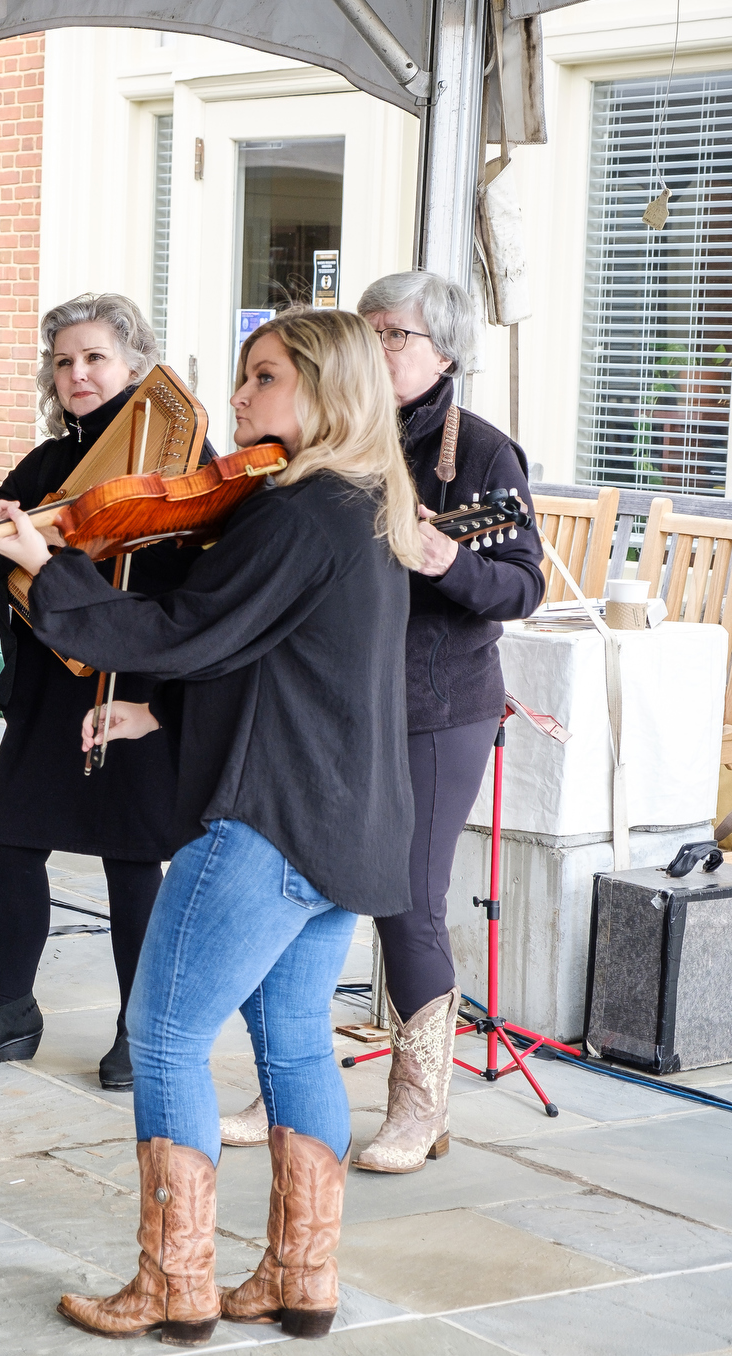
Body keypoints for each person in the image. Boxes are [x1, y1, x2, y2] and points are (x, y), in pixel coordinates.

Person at [0, 308, 421, 1344]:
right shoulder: (366, 504)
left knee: (163, 1037)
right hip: (344, 820)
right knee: (295, 1040)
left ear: (327, 388)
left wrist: (46, 566)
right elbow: (284, 659)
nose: (238, 396)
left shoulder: (302, 511)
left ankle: (172, 1283)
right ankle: (299, 1275)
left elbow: (182, 627)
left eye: (264, 376)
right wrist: (156, 714)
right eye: (243, 374)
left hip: (270, 819)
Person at [218, 272, 544, 1174]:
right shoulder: (330, 432)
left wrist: (445, 559)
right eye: (366, 328)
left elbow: (521, 584)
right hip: (330, 700)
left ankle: (419, 1103)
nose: (376, 343)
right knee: (300, 881)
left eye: (394, 332)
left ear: (445, 353)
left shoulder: (481, 452)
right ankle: (288, 1081)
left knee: (406, 897)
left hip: (433, 707)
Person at [0, 293, 204, 1084]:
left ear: (134, 365)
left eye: (94, 358)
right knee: (18, 841)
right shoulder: (49, 464)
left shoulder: (177, 459)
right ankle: (12, 1010)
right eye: (63, 362)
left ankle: (136, 1029)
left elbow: (186, 578)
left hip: (132, 683)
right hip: (51, 679)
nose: (78, 374)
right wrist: (1, 534)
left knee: (131, 856)